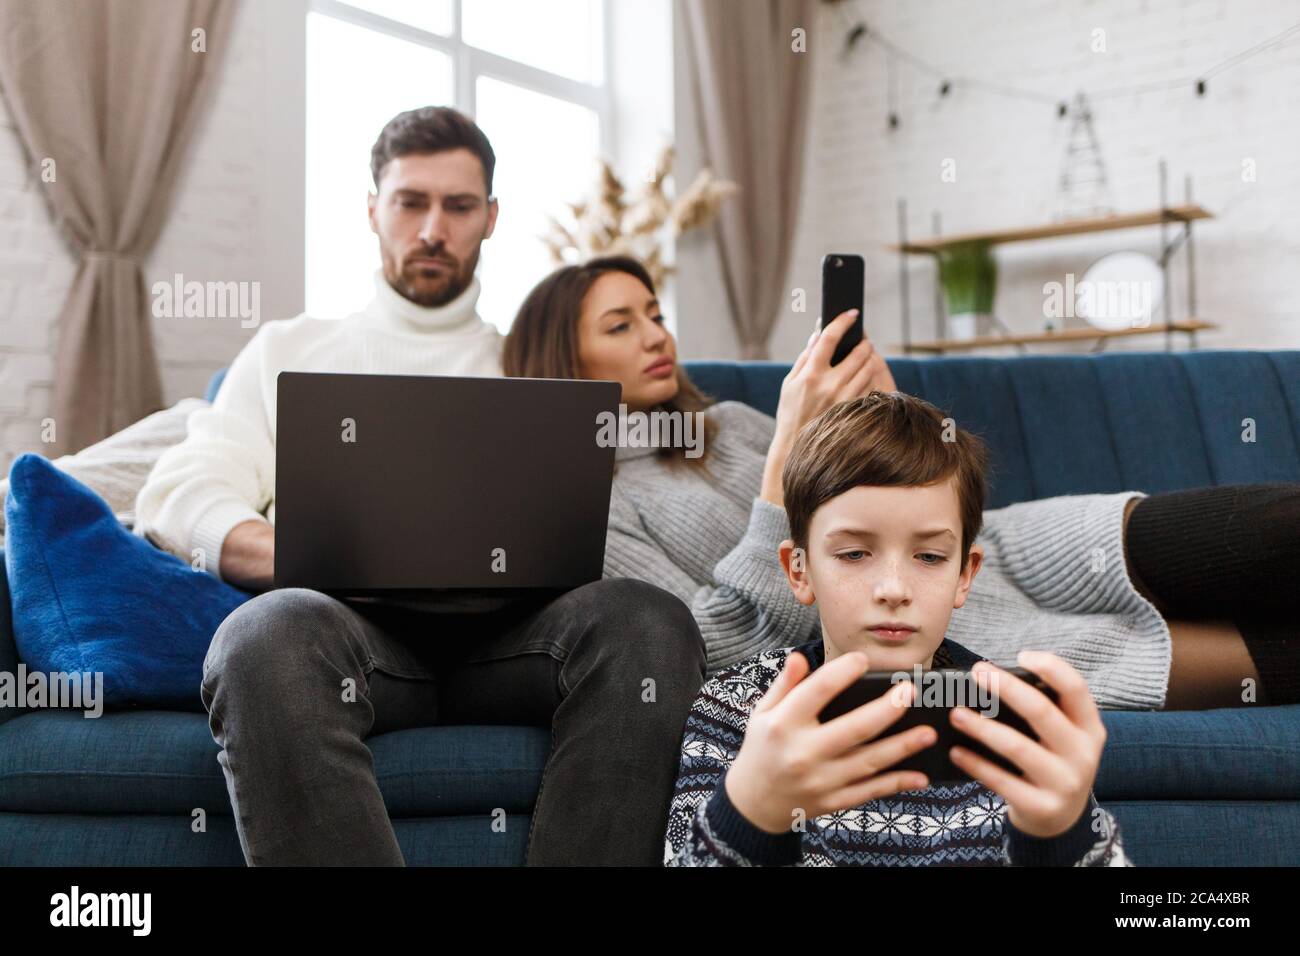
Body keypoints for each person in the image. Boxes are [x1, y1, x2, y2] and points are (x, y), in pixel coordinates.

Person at [134, 108, 706, 866]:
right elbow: (181, 494)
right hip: (345, 642)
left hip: (515, 646)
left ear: (492, 218)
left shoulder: (534, 363)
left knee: (647, 620)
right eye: (411, 202)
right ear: (373, 208)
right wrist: (309, 555)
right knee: (259, 637)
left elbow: (651, 459)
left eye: (459, 206)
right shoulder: (290, 350)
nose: (433, 228)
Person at [502, 254, 1300, 711]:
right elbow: (714, 648)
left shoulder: (732, 421)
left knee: (1272, 529)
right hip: (930, 625)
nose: (656, 335)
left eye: (654, 312)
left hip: (998, 547)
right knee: (1272, 655)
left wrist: (877, 412)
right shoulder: (591, 508)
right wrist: (789, 453)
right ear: (560, 360)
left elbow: (912, 483)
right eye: (621, 325)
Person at [664, 392, 1132, 866]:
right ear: (798, 570)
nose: (893, 589)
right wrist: (750, 816)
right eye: (853, 554)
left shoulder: (1011, 717)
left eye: (929, 557)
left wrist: (1059, 839)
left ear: (964, 575)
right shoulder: (736, 709)